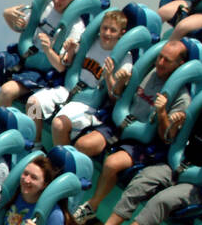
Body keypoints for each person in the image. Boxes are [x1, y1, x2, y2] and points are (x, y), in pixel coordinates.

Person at [85, 79, 202, 225]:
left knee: (161, 200)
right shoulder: (200, 114)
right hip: (178, 166)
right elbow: (170, 138)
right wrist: (174, 123)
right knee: (142, 180)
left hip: (199, 183)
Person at [69, 40, 191, 225]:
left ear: (179, 65)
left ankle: (91, 207)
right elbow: (116, 97)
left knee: (112, 163)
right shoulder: (147, 72)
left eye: (167, 60)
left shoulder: (182, 97)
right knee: (82, 145)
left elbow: (169, 137)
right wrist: (119, 83)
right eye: (160, 57)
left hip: (144, 142)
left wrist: (162, 113)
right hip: (120, 125)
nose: (160, 63)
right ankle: (72, 191)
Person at [25, 9, 133, 152]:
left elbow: (115, 96)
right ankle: (36, 145)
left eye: (113, 30)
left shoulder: (125, 57)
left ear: (122, 33)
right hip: (68, 89)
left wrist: (109, 77)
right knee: (33, 103)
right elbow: (65, 64)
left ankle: (62, 164)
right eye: (104, 28)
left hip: (89, 103)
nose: (107, 33)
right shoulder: (90, 42)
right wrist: (70, 50)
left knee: (59, 124)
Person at [0, 0, 86, 108]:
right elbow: (20, 27)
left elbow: (61, 67)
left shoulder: (77, 27)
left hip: (42, 73)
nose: (56, 0)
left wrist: (48, 50)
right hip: (21, 57)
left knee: (7, 91)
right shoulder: (45, 8)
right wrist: (7, 15)